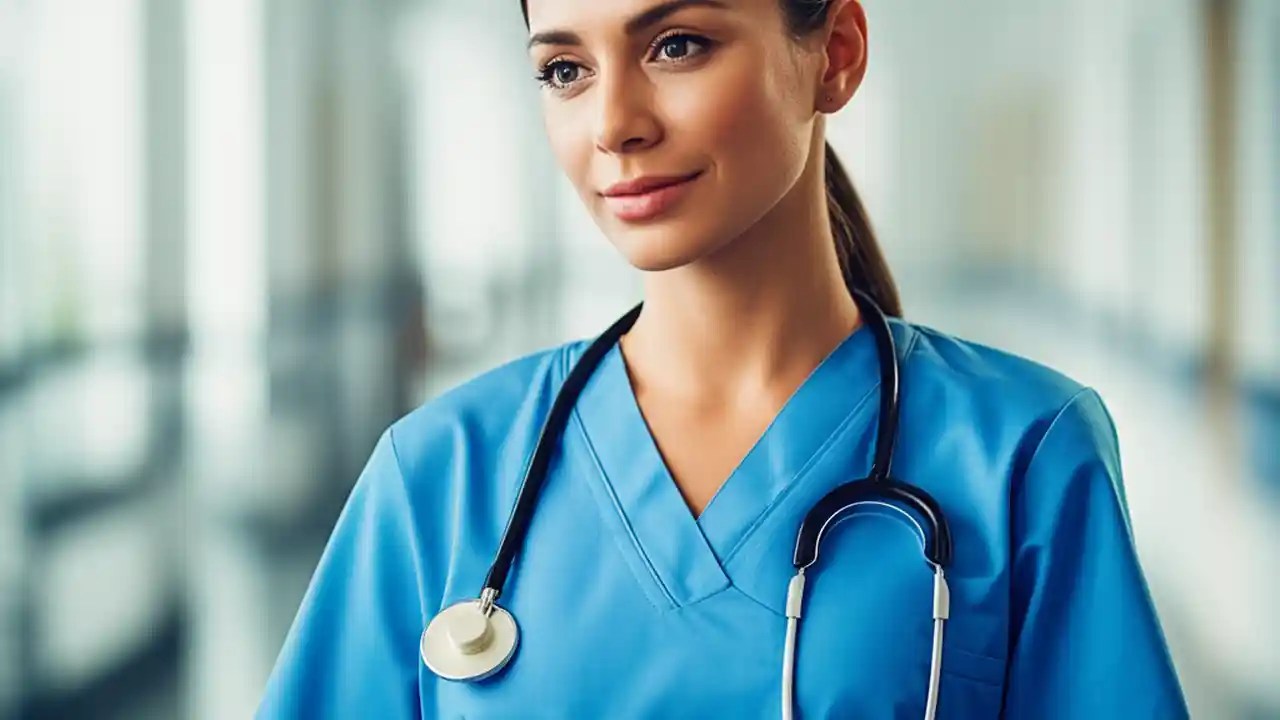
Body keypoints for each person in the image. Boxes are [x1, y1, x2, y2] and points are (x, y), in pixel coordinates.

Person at [256, 0, 1189, 717]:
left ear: (836, 53)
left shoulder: (1023, 456)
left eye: (677, 45)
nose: (614, 122)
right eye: (567, 69)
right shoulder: (438, 476)